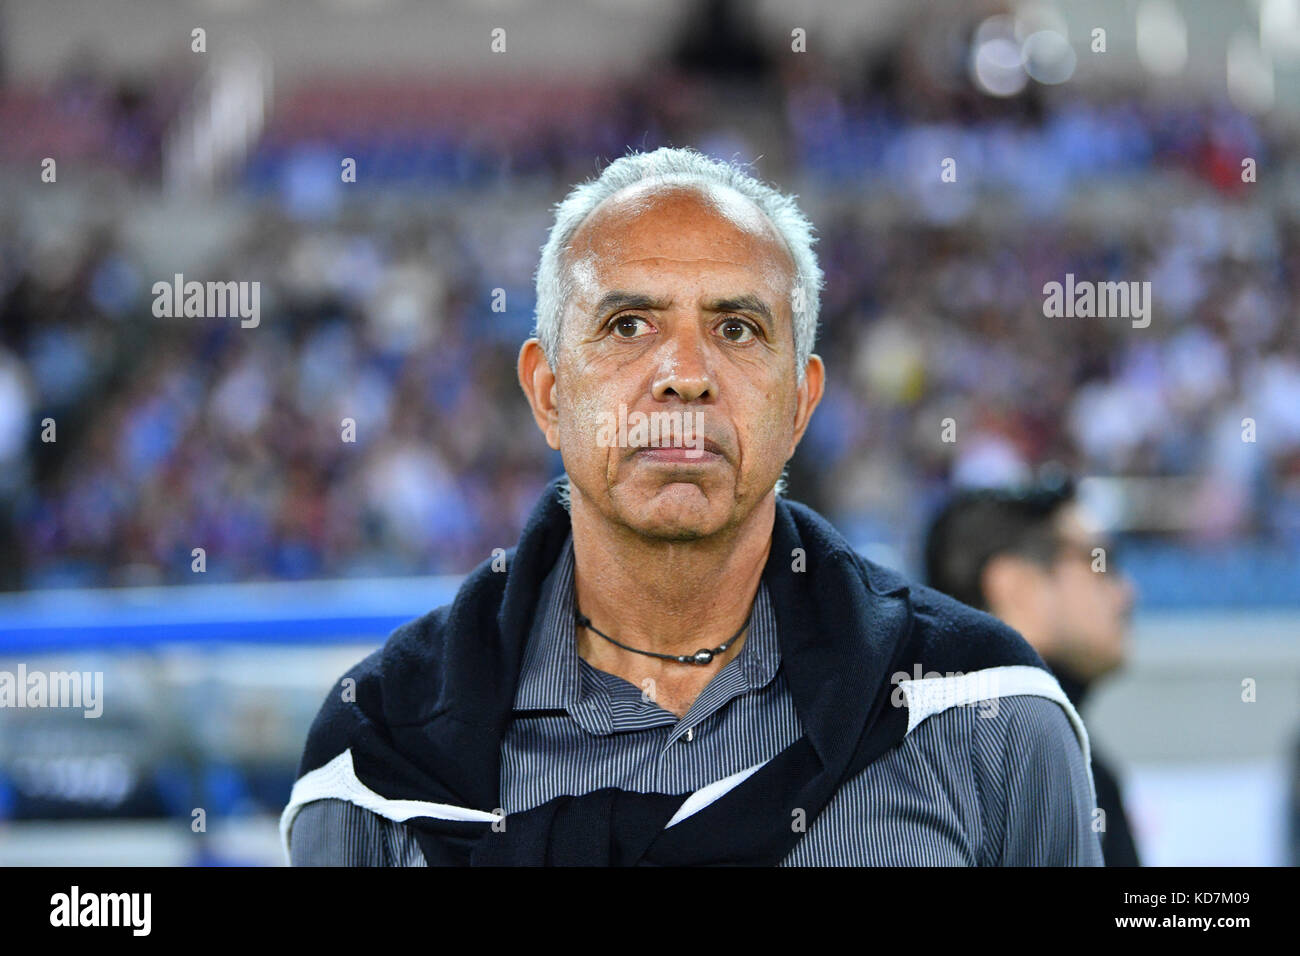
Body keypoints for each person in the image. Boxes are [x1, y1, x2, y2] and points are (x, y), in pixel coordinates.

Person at [281, 146, 1102, 865]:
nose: (684, 371)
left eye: (738, 329)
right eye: (629, 323)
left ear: (800, 406)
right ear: (548, 392)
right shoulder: (378, 750)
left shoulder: (985, 711)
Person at [924, 480, 1142, 866]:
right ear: (1016, 587)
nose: (1127, 592)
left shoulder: (931, 756)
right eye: (1101, 559)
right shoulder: (993, 772)